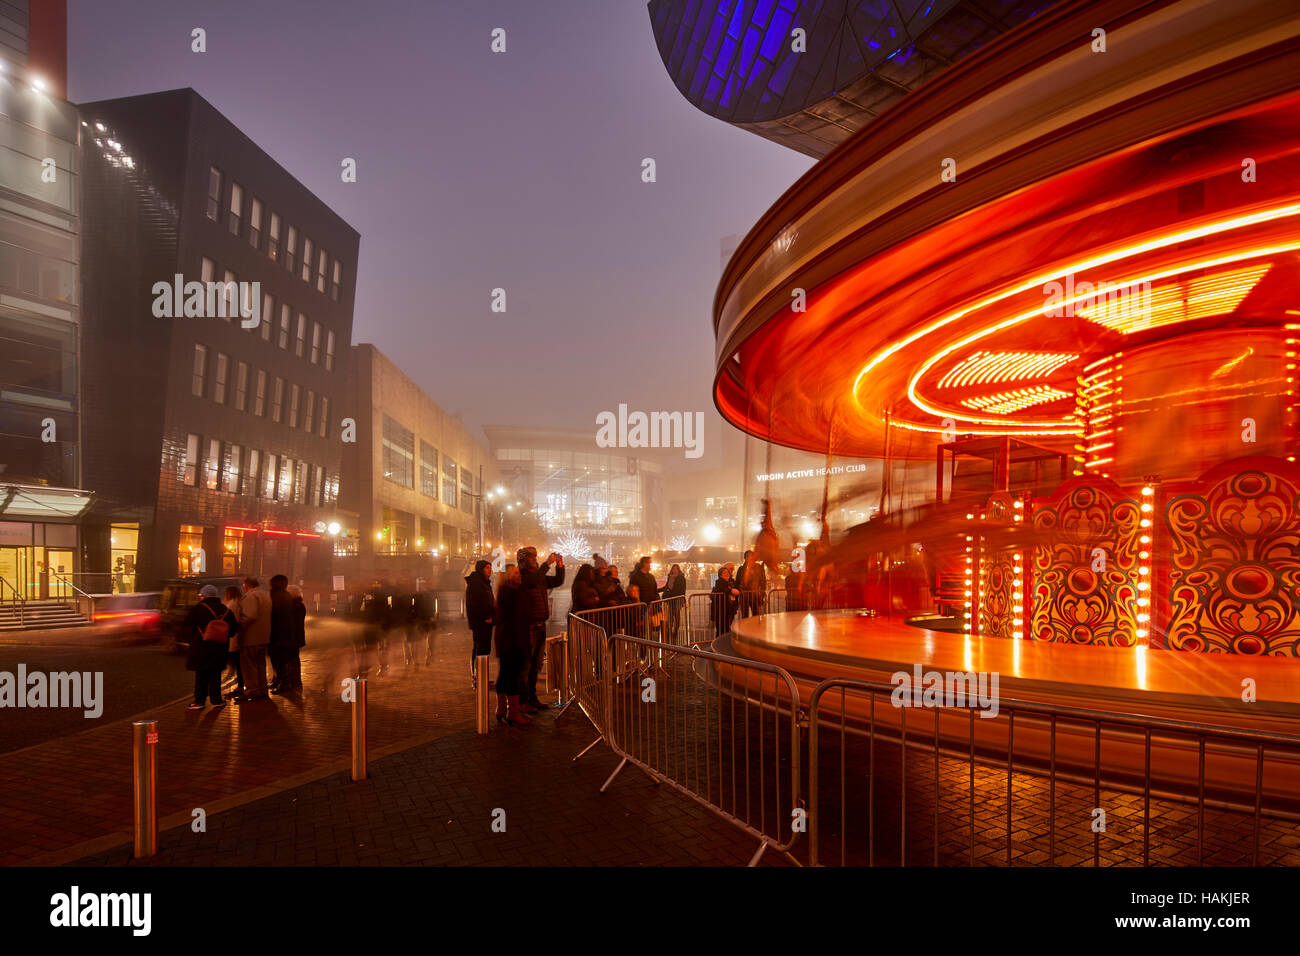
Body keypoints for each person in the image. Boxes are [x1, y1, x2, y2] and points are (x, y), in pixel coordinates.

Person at [517, 546, 564, 710]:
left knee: (536, 665)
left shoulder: (539, 576)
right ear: (523, 559)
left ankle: (532, 697)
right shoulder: (522, 576)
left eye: (536, 556)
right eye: (532, 556)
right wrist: (547, 564)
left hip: (540, 625)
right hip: (529, 626)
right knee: (526, 665)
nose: (535, 559)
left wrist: (560, 566)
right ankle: (522, 701)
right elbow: (532, 581)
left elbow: (557, 581)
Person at [185, 585, 240, 710]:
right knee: (215, 674)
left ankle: (199, 701)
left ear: (203, 595)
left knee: (201, 675)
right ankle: (216, 700)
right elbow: (233, 629)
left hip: (201, 647)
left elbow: (187, 624)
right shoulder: (225, 610)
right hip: (219, 647)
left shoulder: (198, 609)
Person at [493, 564, 532, 726]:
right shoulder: (512, 593)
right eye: (516, 573)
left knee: (504, 673)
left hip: (505, 639)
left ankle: (501, 708)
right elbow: (518, 618)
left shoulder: (504, 592)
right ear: (509, 576)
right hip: (514, 640)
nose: (519, 575)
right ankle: (513, 712)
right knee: (513, 675)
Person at [236, 576, 272, 702]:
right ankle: (262, 689)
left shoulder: (251, 597)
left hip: (251, 637)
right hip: (263, 636)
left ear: (246, 585)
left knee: (249, 667)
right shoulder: (266, 595)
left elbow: (249, 615)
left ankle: (252, 690)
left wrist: (239, 626)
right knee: (260, 665)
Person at [465, 559, 495, 685]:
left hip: (486, 622)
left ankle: (482, 677)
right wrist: (485, 617)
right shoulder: (477, 583)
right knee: (480, 649)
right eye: (487, 568)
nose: (490, 570)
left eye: (490, 567)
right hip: (481, 623)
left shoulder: (484, 582)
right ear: (481, 569)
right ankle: (478, 678)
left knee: (484, 649)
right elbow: (475, 604)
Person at [268, 574, 296, 694]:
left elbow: (273, 613)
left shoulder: (276, 596)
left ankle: (283, 683)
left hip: (277, 633)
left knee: (279, 660)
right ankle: (279, 681)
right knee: (280, 659)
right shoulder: (286, 595)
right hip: (284, 633)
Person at [222, 585, 245, 700]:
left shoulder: (231, 605)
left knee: (237, 663)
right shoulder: (240, 602)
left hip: (233, 637)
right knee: (239, 663)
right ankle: (241, 684)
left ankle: (240, 686)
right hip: (238, 637)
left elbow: (231, 621)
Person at [284, 584, 307, 692]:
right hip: (297, 637)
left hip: (291, 637)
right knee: (294, 659)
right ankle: (296, 681)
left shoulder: (293, 606)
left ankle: (294, 681)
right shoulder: (300, 605)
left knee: (291, 659)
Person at [736, 549, 767, 618]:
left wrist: (761, 593)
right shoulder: (741, 569)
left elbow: (763, 581)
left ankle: (755, 628)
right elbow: (737, 581)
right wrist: (740, 591)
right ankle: (745, 628)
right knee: (744, 615)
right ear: (745, 558)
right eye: (748, 556)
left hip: (755, 595)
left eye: (752, 556)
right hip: (744, 595)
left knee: (756, 614)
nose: (750, 558)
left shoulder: (759, 568)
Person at [712, 564, 741, 636]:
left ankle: (723, 642)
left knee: (727, 627)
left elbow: (738, 590)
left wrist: (734, 590)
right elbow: (726, 590)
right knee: (721, 628)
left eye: (727, 573)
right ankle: (719, 643)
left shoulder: (731, 582)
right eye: (724, 573)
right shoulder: (719, 582)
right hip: (721, 610)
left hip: (729, 609)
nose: (726, 574)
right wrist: (732, 590)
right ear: (720, 575)